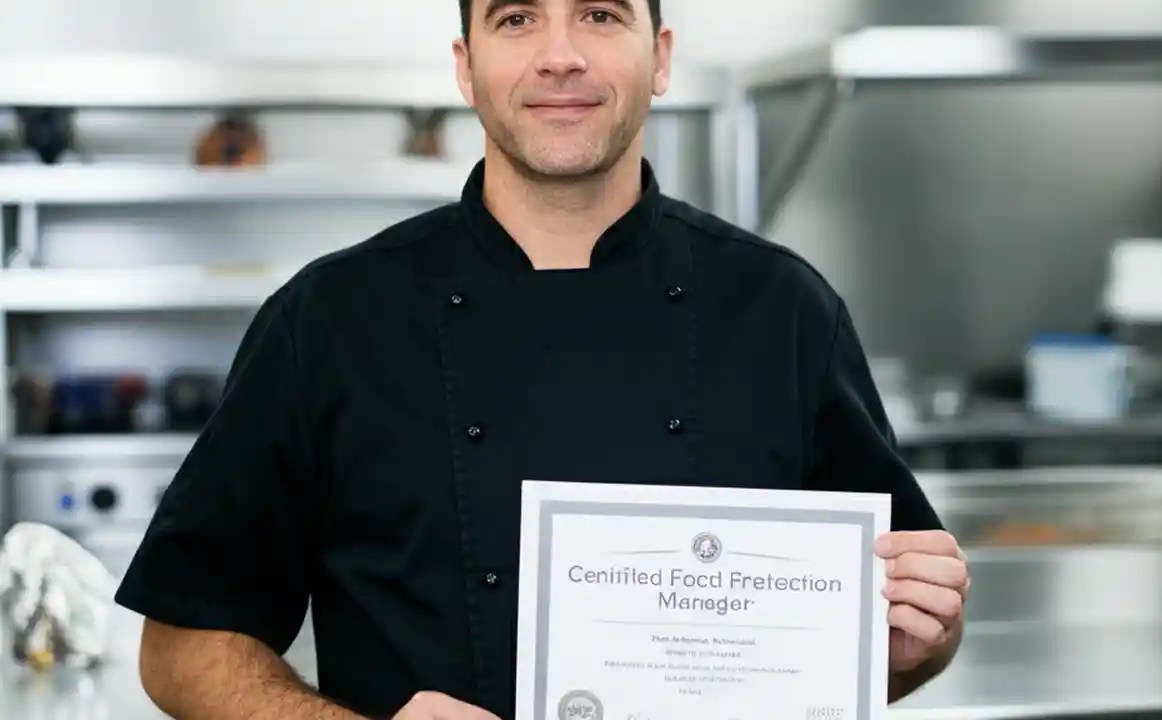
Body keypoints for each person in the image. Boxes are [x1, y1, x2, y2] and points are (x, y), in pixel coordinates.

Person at [114, 1, 970, 718]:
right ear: (465, 65)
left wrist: (913, 642)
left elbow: (892, 638)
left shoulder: (785, 312)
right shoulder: (329, 320)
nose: (561, 58)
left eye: (599, 14)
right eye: (517, 18)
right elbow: (180, 644)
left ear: (660, 55)